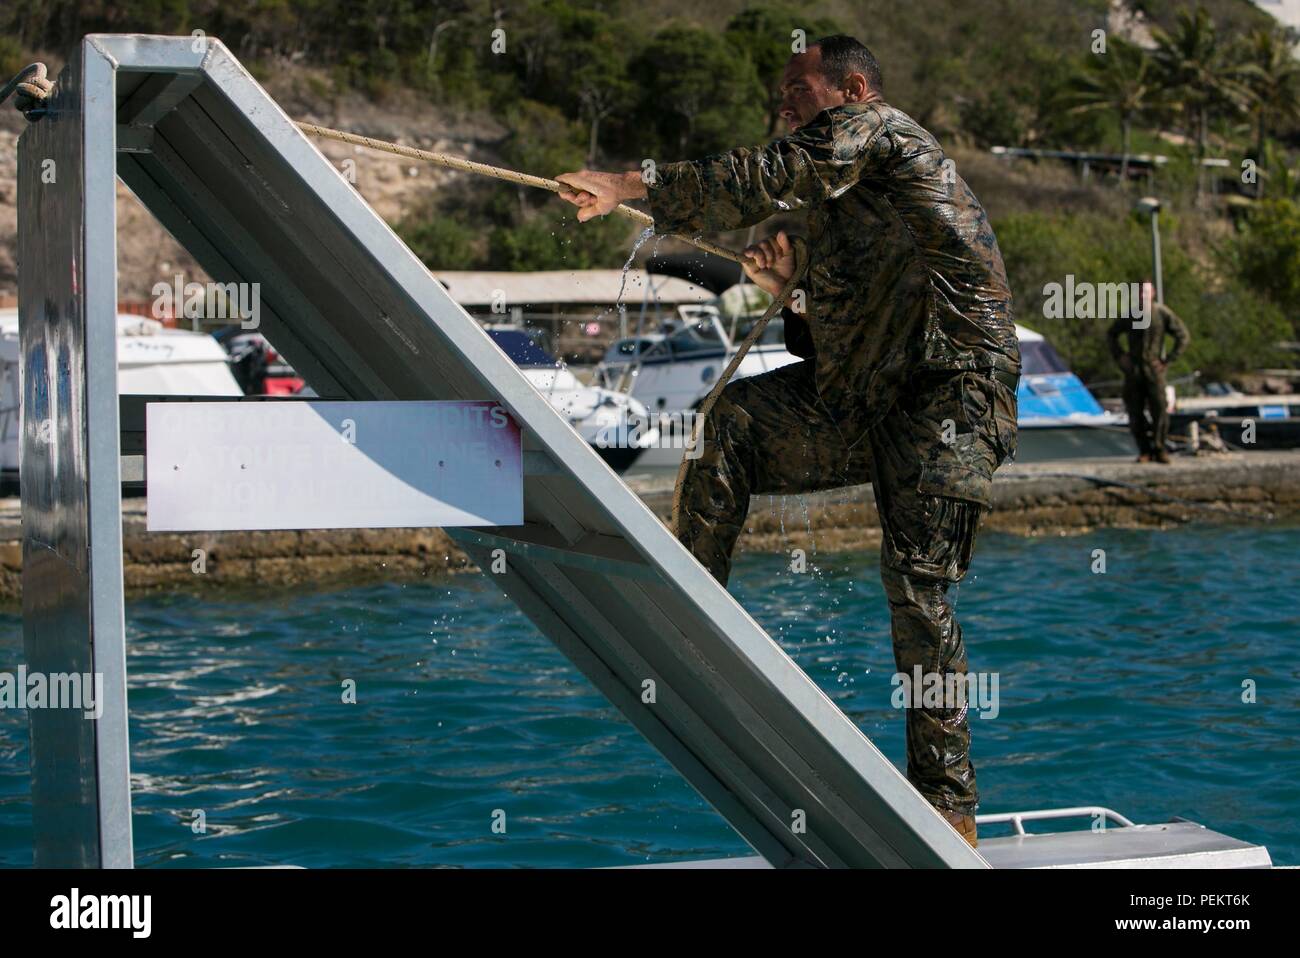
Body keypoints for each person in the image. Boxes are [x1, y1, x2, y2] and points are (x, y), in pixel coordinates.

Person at [555, 35, 1019, 850]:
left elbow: (762, 175)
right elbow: (825, 351)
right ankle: (695, 619)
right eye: (780, 100)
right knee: (729, 419)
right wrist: (788, 295)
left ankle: (948, 807)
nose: (785, 110)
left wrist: (632, 182)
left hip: (952, 391)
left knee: (916, 583)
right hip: (865, 405)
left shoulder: (886, 133)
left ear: (855, 87)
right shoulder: (829, 220)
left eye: (798, 94)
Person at [1107, 285, 1190, 464]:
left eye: (1145, 292)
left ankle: (1159, 449)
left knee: (1160, 409)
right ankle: (1144, 450)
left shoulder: (1161, 313)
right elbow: (1111, 334)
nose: (1142, 295)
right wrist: (1121, 356)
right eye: (1139, 292)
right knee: (1135, 411)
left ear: (1152, 293)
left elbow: (1182, 335)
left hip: (1153, 368)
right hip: (1134, 370)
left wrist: (1168, 359)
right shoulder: (1130, 314)